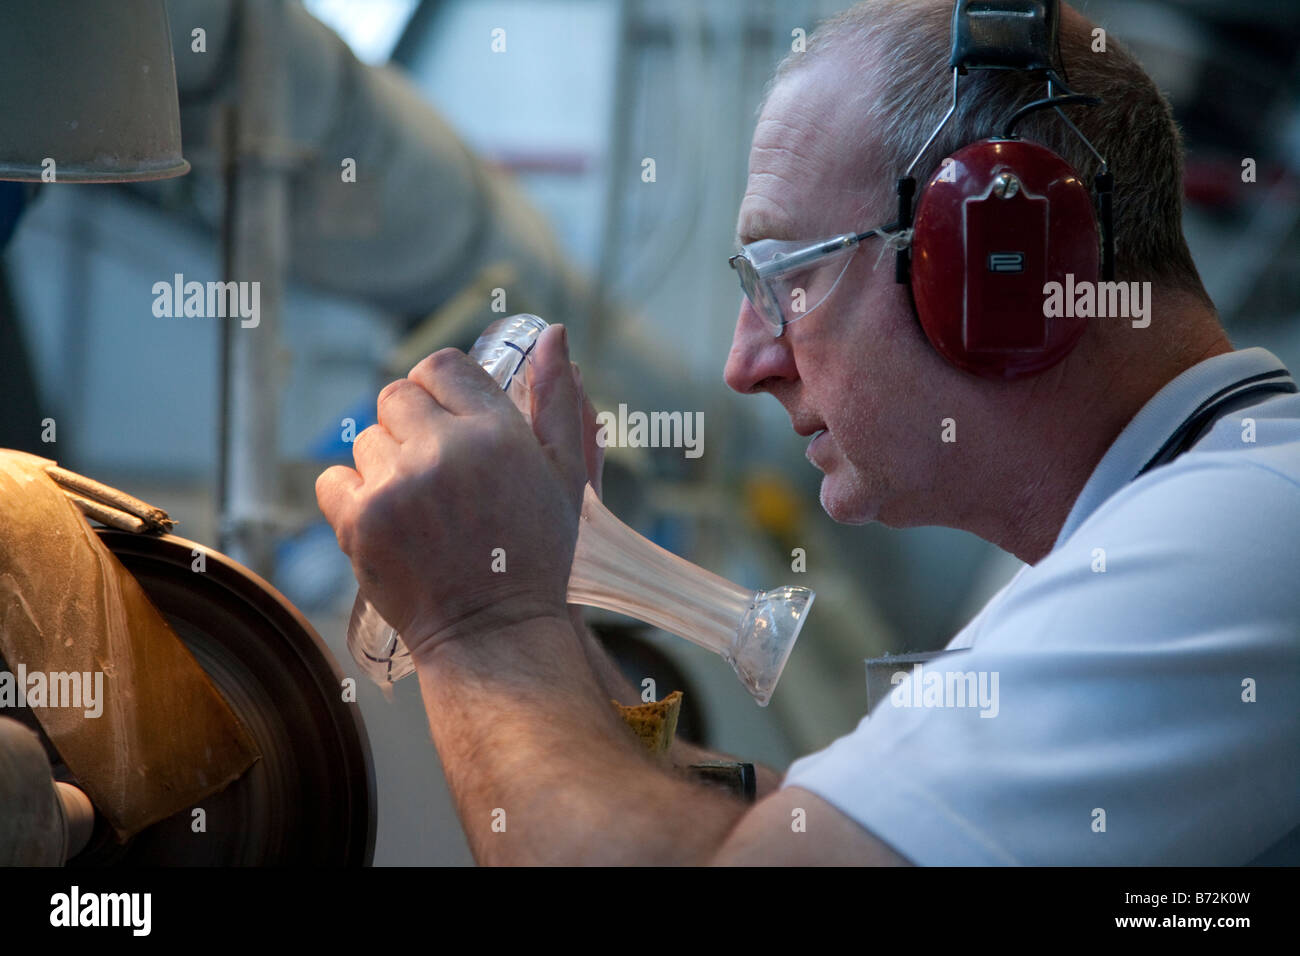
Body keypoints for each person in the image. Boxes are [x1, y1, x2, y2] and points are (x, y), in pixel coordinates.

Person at [315, 0, 1299, 865]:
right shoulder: (1157, 536)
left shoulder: (1239, 532)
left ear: (1000, 261)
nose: (747, 363)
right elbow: (804, 826)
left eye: (789, 277)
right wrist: (554, 623)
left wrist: (478, 626)